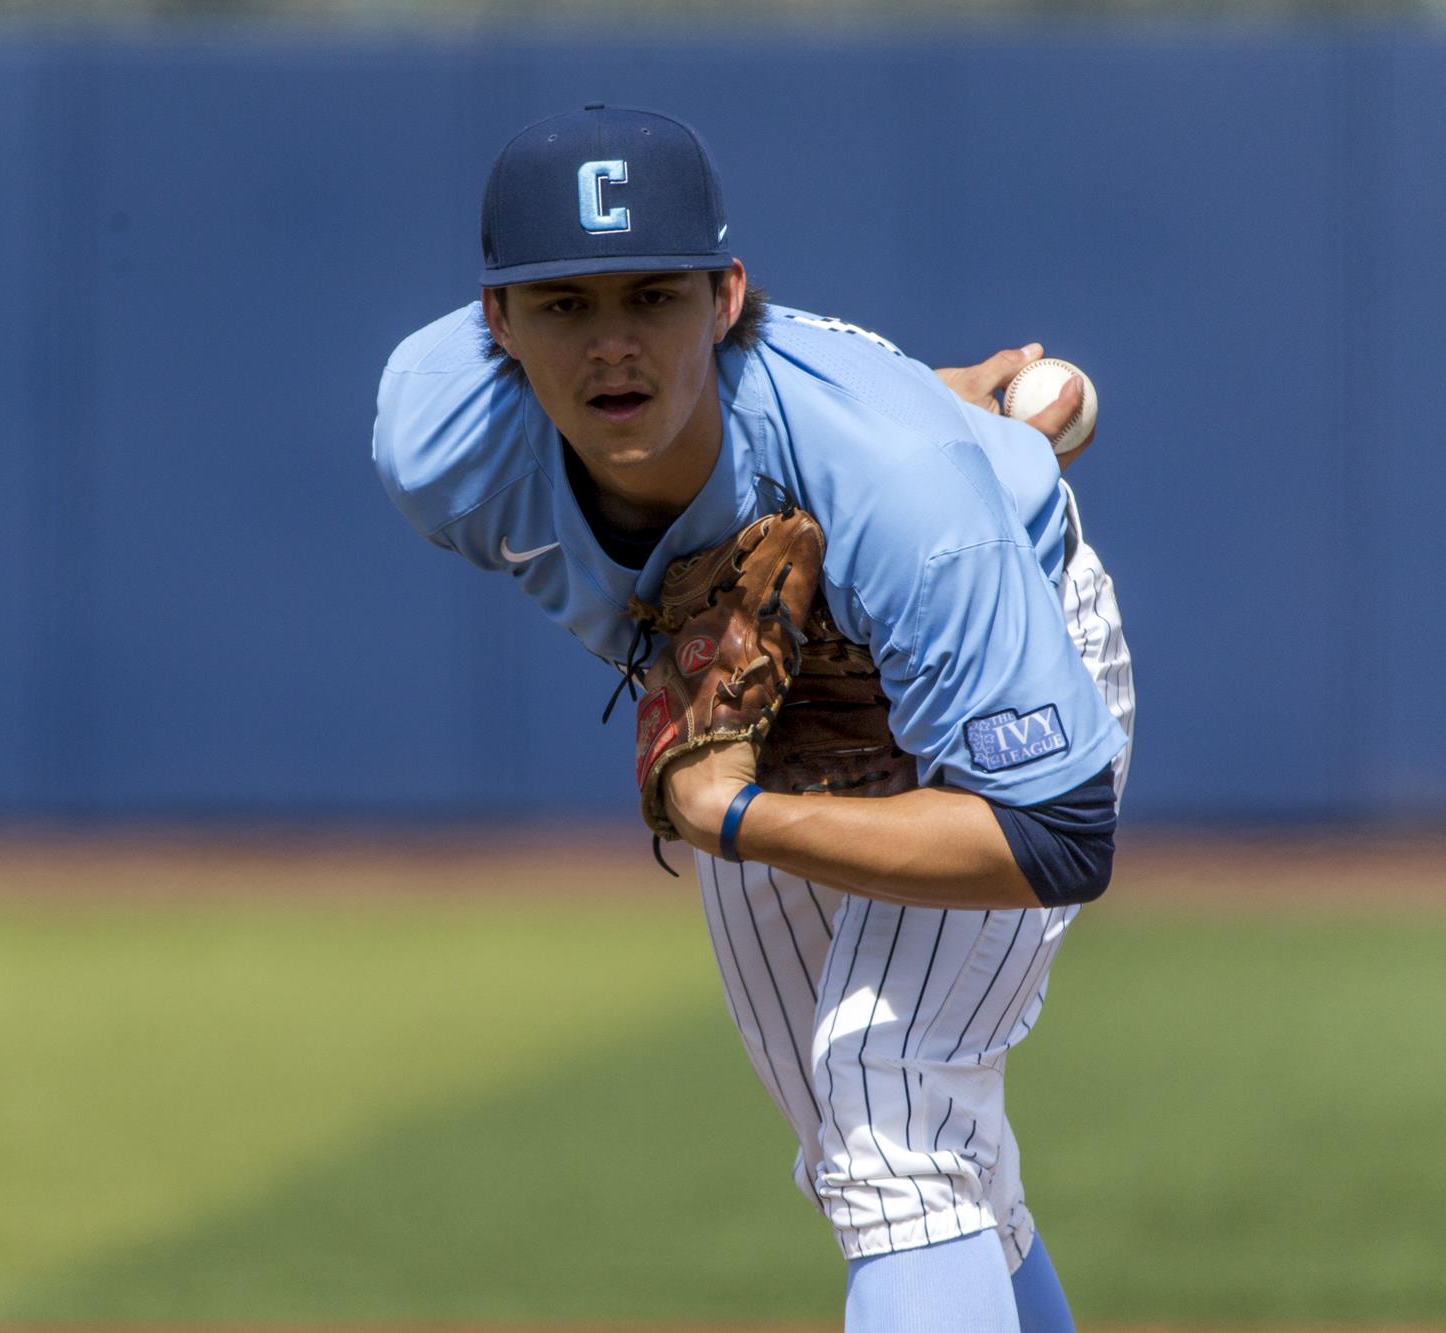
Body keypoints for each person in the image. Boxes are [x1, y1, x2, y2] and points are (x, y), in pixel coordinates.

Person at [371, 103, 1134, 1332]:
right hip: (767, 709)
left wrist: (734, 814)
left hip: (994, 670)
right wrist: (934, 391)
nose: (612, 345)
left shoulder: (904, 494)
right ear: (495, 323)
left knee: (888, 1102)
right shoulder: (438, 436)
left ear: (724, 297)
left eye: (652, 297)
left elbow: (1052, 838)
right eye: (564, 303)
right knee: (890, 1160)